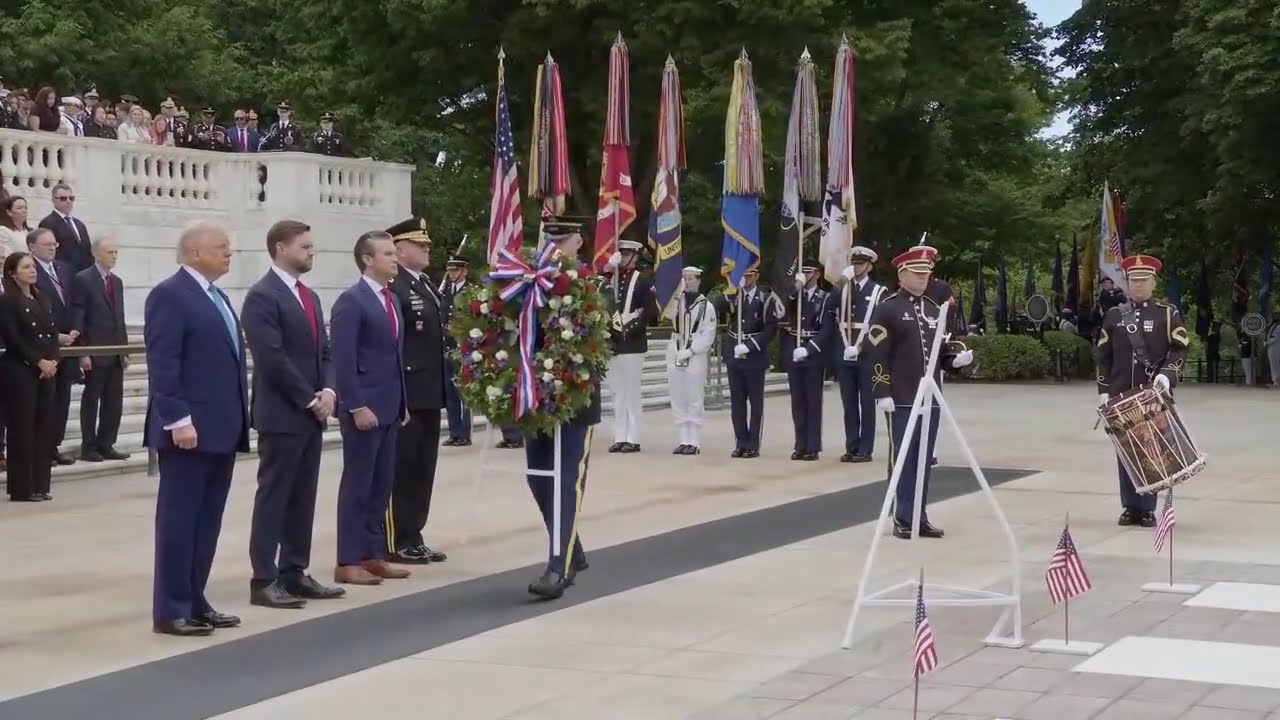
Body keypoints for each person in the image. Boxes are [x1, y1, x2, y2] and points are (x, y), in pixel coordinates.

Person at [144, 221, 250, 636]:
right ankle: (171, 608)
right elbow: (164, 363)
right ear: (193, 253)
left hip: (220, 429)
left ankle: (195, 598)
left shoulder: (215, 295)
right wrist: (177, 419)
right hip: (188, 430)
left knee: (207, 521)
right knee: (179, 521)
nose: (229, 253)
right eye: (221, 247)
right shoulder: (171, 295)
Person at [240, 220, 345, 609]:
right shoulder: (262, 296)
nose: (311, 252)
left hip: (313, 412)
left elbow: (326, 351)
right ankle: (264, 577)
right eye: (305, 246)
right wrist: (308, 398)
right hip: (283, 413)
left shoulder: (310, 297)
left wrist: (330, 391)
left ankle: (295, 570)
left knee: (303, 496)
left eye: (312, 246)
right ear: (281, 248)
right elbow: (271, 357)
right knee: (275, 496)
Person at [863, 246, 974, 539]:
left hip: (929, 395)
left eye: (926, 273)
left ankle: (919, 515)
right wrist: (881, 390)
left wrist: (955, 361)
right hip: (900, 395)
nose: (924, 278)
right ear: (902, 275)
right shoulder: (888, 308)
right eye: (917, 273)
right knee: (903, 457)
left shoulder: (932, 309)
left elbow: (938, 352)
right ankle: (902, 516)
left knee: (924, 459)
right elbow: (877, 353)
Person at [524, 221, 600, 600]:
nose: (554, 246)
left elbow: (598, 337)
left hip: (575, 400)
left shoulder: (589, 282)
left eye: (562, 240)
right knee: (538, 478)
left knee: (565, 481)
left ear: (577, 243)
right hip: (534, 397)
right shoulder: (527, 283)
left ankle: (558, 565)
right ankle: (572, 547)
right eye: (549, 239)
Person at [330, 229, 410, 586]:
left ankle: (372, 553)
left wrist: (403, 402)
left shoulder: (390, 299)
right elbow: (343, 360)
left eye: (395, 253)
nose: (395, 258)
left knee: (381, 486)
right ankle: (348, 559)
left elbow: (394, 357)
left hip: (391, 406)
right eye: (388, 254)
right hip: (365, 409)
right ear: (367, 259)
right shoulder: (352, 301)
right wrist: (355, 404)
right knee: (358, 486)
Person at [1096, 253, 1189, 527]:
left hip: (1152, 394)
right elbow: (1103, 356)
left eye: (1143, 280)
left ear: (1153, 282)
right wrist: (1104, 389)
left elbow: (1180, 348)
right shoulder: (1113, 316)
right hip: (1120, 394)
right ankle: (1130, 506)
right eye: (1133, 280)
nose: (1138, 285)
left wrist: (1168, 375)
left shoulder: (1167, 314)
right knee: (1126, 451)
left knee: (1152, 449)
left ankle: (1147, 507)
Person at [385, 218, 448, 565]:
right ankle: (395, 537)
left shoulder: (426, 285)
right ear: (399, 248)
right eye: (419, 245)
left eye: (426, 245)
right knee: (403, 468)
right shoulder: (395, 287)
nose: (427, 249)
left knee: (424, 467)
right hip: (408, 391)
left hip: (429, 391)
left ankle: (414, 533)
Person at [0, 251, 59, 502]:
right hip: (21, 369)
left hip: (47, 370)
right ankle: (22, 487)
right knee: (22, 427)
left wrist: (53, 359)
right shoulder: (7, 301)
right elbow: (13, 337)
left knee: (43, 426)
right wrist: (38, 360)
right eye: (26, 267)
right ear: (13, 273)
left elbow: (52, 332)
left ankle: (40, 484)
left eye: (33, 266)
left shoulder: (42, 297)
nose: (32, 271)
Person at [69, 237, 131, 462]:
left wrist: (123, 350)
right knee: (92, 399)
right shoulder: (83, 279)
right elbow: (80, 316)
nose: (114, 256)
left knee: (114, 401)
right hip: (95, 350)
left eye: (116, 251)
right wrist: (82, 351)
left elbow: (119, 317)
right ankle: (89, 446)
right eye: (109, 252)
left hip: (114, 349)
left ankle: (107, 443)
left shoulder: (117, 282)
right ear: (97, 254)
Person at [823, 246, 886, 463]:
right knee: (848, 403)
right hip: (843, 352)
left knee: (867, 404)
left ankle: (865, 449)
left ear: (869, 266)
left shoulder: (879, 292)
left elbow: (880, 327)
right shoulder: (842, 289)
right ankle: (851, 446)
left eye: (860, 264)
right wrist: (840, 282)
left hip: (866, 355)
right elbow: (827, 309)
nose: (856, 267)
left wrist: (861, 347)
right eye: (854, 263)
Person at [28, 228, 79, 465]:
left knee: (62, 398)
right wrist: (54, 335)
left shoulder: (64, 269)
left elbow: (76, 302)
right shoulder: (29, 271)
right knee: (45, 400)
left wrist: (75, 331)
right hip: (45, 346)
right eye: (47, 244)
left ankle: (54, 445)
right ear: (32, 247)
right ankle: (41, 448)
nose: (52, 247)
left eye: (54, 244)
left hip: (68, 345)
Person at [713, 268, 775, 458]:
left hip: (754, 356)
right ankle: (740, 441)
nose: (745, 279)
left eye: (749, 276)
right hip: (734, 354)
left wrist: (751, 345)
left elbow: (770, 329)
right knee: (737, 402)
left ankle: (753, 443)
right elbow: (716, 305)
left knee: (755, 403)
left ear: (756, 276)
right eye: (742, 276)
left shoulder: (765, 299)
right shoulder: (733, 296)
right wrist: (731, 290)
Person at [603, 239, 657, 453]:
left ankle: (633, 437)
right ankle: (620, 435)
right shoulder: (611, 281)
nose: (623, 258)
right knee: (617, 392)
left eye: (627, 255)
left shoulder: (643, 281)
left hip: (632, 343)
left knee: (631, 392)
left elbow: (650, 312)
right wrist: (607, 271)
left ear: (635, 257)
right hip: (614, 343)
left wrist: (627, 328)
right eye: (621, 255)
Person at [665, 267, 717, 455]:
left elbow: (708, 333)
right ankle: (682, 438)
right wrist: (676, 295)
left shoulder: (706, 305)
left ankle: (693, 440)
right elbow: (668, 315)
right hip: (675, 348)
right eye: (684, 278)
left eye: (691, 279)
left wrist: (692, 350)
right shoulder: (676, 301)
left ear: (699, 280)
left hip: (694, 353)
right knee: (678, 396)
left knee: (694, 397)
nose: (687, 282)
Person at [439, 255, 473, 446]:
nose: (452, 274)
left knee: (463, 394)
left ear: (464, 271)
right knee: (450, 392)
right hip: (447, 346)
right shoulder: (445, 292)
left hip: (463, 348)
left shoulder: (470, 293)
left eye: (456, 270)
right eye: (450, 270)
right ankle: (454, 432)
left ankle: (464, 433)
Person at [39, 183, 93, 274]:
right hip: (63, 275)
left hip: (83, 275)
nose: (68, 201)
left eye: (71, 198)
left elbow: (87, 250)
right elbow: (47, 252)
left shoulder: (79, 225)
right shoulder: (47, 223)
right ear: (53, 200)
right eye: (63, 198)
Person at [1266, 321, 1280, 387]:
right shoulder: (1274, 325)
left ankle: (1276, 381)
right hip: (1273, 347)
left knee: (1275, 364)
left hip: (1275, 347)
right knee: (1274, 364)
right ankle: (1276, 380)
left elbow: (1274, 338)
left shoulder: (1277, 326)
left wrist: (1267, 342)